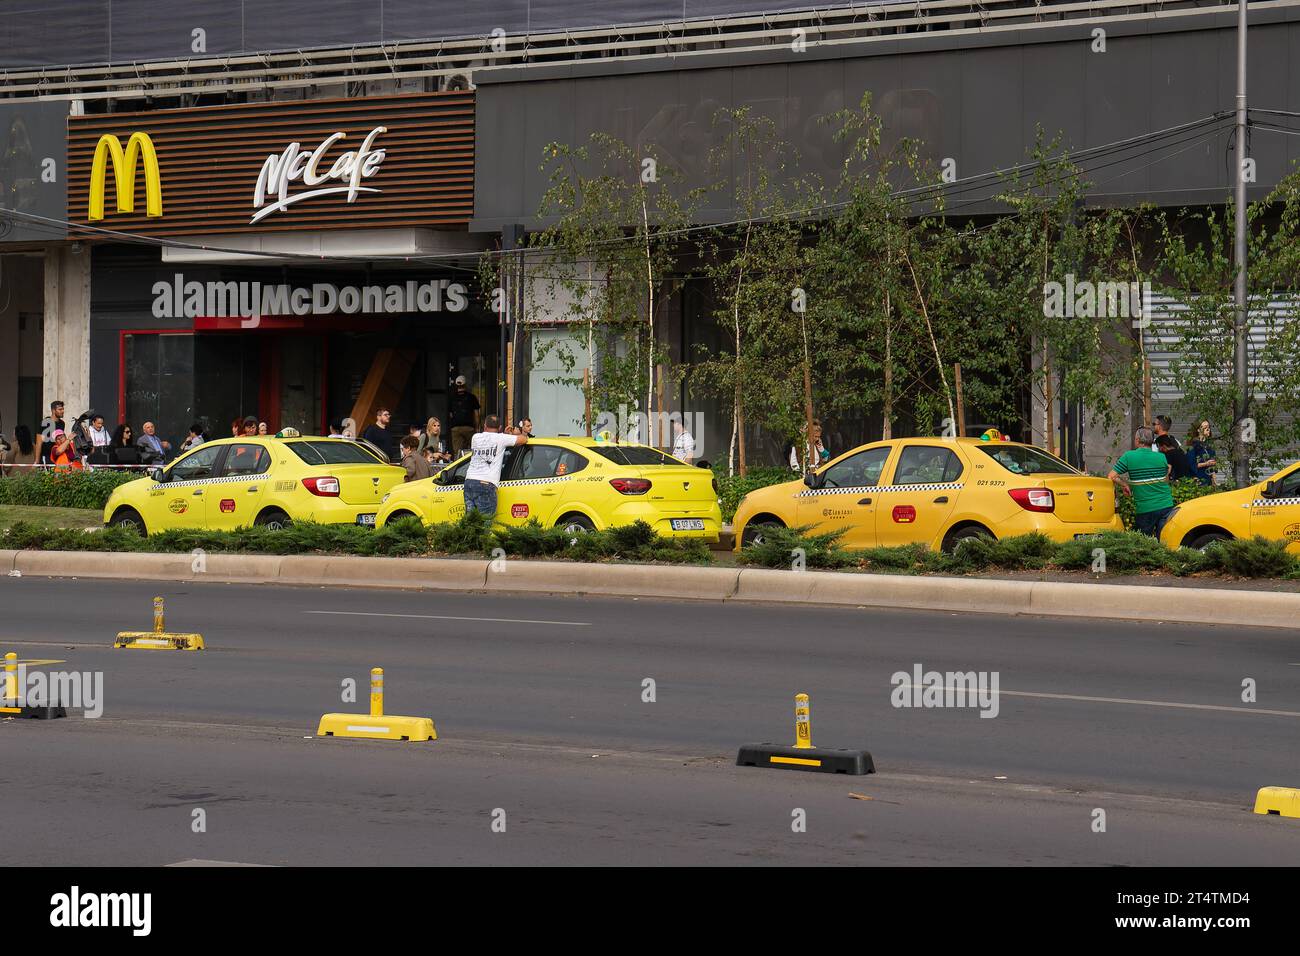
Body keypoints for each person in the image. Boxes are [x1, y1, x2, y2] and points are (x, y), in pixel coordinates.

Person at [1109, 426, 1175, 537]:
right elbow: (1165, 480)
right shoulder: (1161, 457)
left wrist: (1125, 485)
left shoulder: (1129, 456)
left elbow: (1111, 476)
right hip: (1166, 505)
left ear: (1137, 440)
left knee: (1143, 545)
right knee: (1164, 541)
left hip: (1145, 508)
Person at [464, 415, 527, 518]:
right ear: (500, 427)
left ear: (484, 426)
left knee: (471, 523)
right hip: (486, 484)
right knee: (485, 523)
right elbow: (524, 440)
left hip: (469, 481)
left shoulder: (475, 437)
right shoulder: (501, 438)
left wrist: (504, 435)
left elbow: (492, 440)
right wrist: (517, 433)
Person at [447, 375, 480, 456]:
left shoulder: (452, 398)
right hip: (469, 428)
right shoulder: (471, 397)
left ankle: (457, 467)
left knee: (457, 452)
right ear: (465, 385)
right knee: (474, 450)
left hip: (455, 428)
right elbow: (476, 414)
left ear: (456, 385)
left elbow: (450, 414)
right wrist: (477, 427)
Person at [1186, 421, 1217, 486]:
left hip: (1208, 481)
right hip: (1197, 480)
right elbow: (1191, 465)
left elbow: (1213, 466)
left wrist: (1214, 481)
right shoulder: (1193, 445)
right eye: (1205, 427)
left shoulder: (1209, 445)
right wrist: (1206, 464)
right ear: (1198, 430)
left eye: (1208, 427)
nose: (1208, 429)